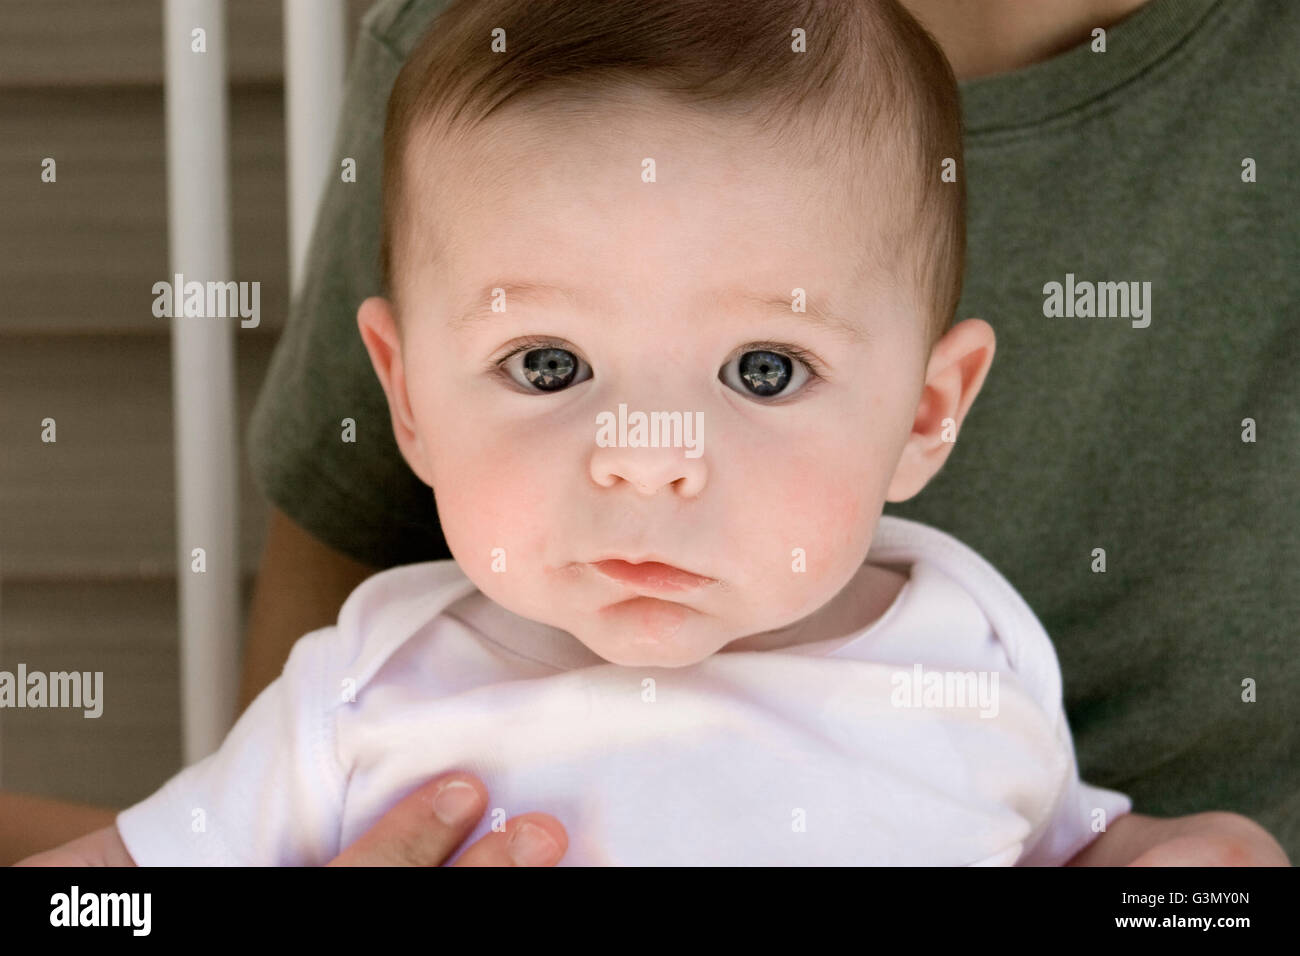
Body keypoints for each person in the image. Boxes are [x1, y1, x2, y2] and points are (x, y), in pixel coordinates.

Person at [9, 0, 1295, 867]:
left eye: (764, 367)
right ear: (406, 397)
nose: (647, 450)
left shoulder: (966, 639)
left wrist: (1186, 869)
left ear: (925, 413)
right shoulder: (361, 692)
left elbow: (1079, 838)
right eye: (548, 362)